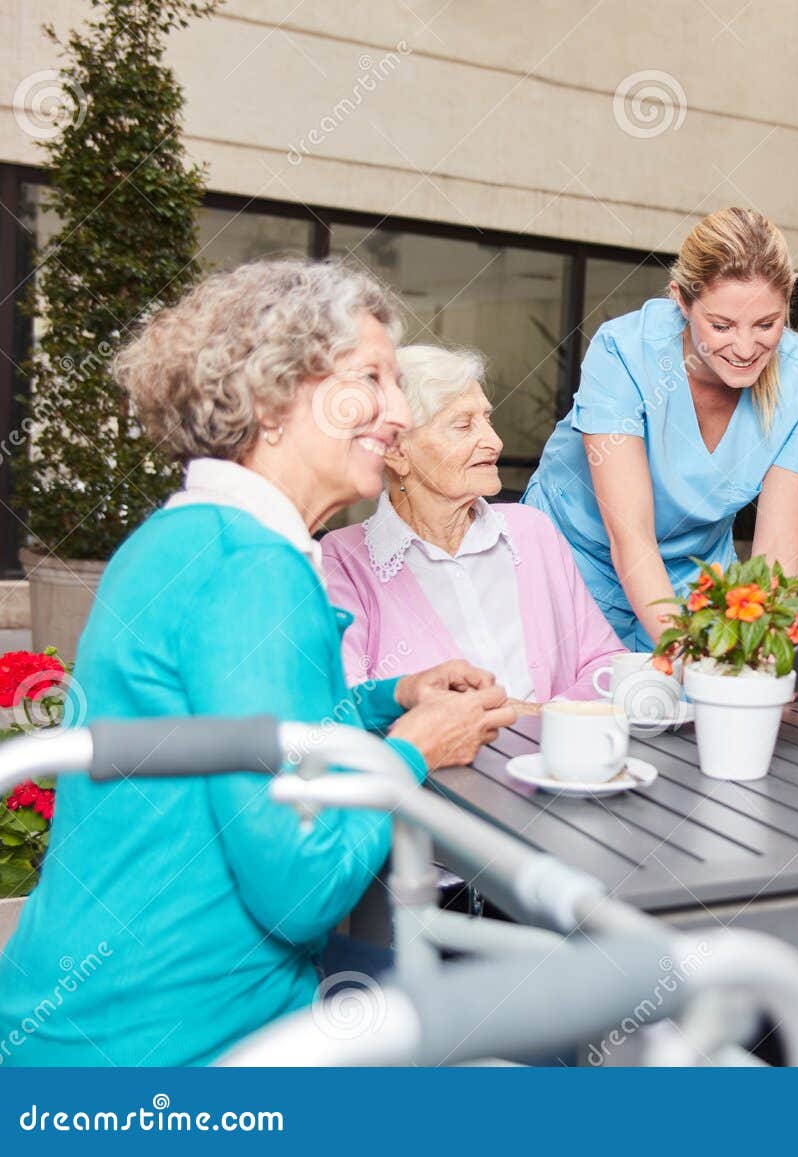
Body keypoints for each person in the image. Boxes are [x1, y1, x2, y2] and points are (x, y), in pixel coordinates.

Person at [0, 259, 515, 1067]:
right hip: (183, 1056)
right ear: (276, 401)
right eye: (372, 379)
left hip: (85, 1030)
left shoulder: (184, 534)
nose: (399, 411)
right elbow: (305, 894)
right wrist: (414, 749)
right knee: (548, 1039)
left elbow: (259, 740)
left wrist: (389, 698)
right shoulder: (253, 568)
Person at [524, 207, 798, 649]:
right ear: (682, 301)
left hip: (693, 574)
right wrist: (686, 657)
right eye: (722, 325)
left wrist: (759, 654)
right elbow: (629, 537)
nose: (746, 348)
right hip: (575, 558)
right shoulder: (625, 352)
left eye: (767, 324)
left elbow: (776, 558)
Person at [325, 344, 626, 702]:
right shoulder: (343, 561)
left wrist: (547, 721)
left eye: (488, 420)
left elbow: (607, 664)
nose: (494, 442)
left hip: (553, 756)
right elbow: (348, 701)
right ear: (396, 451)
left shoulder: (532, 531)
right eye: (464, 425)